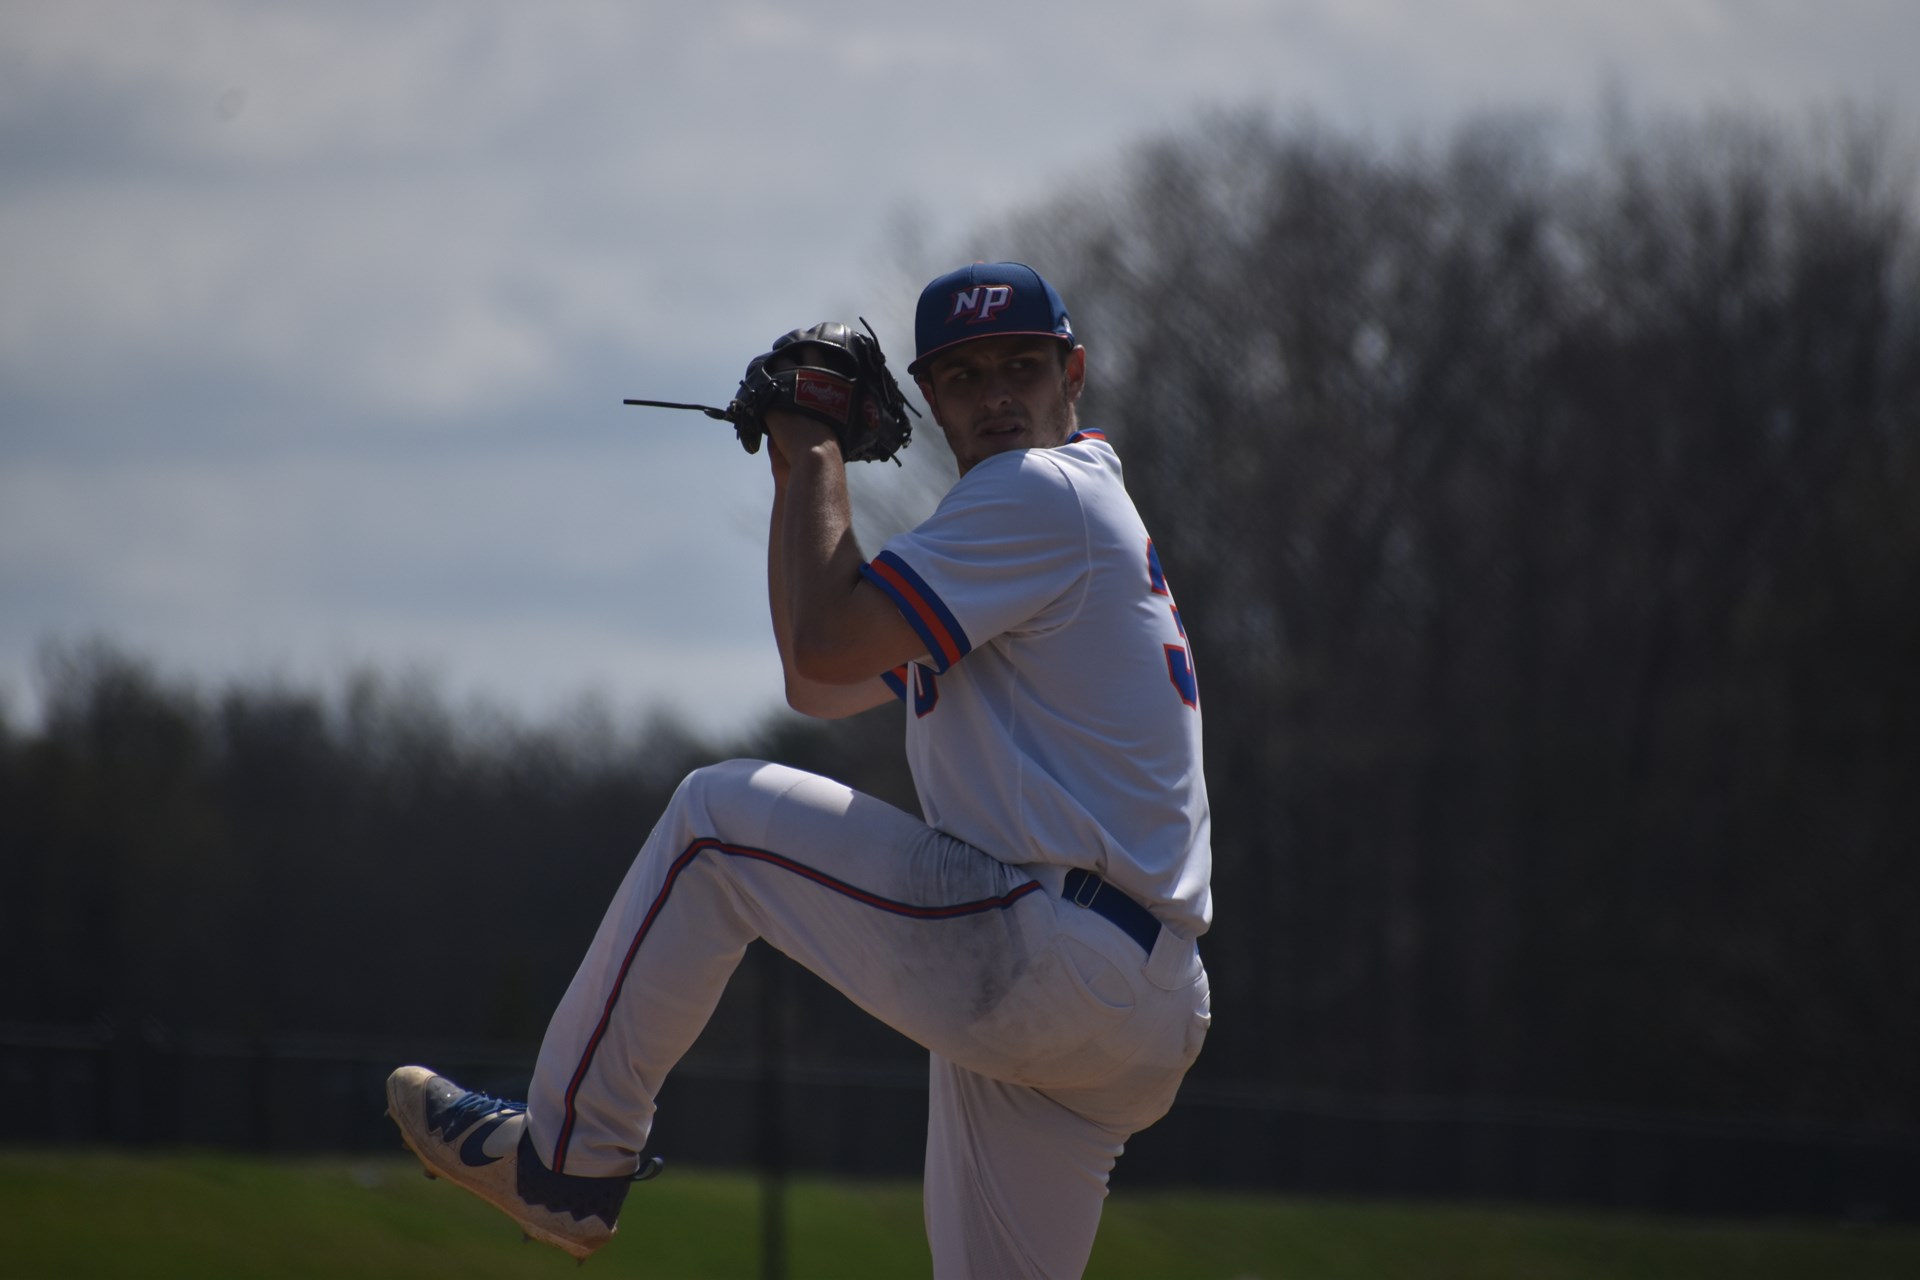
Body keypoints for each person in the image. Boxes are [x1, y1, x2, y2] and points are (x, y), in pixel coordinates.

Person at [386, 261, 1212, 1279]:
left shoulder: (1038, 491)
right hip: (1132, 1001)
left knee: (716, 823)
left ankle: (565, 1160)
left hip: (1056, 948)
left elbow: (822, 645)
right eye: (963, 376)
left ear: (1071, 372)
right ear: (931, 400)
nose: (997, 394)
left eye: (1022, 365)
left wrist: (814, 436)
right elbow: (816, 678)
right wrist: (798, 463)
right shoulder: (1053, 524)